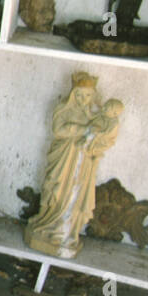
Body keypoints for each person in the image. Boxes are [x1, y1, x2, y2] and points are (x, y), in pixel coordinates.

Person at [25, 73, 123, 258]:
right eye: (79, 95)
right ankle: (46, 224)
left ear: (93, 95)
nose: (83, 99)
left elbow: (106, 134)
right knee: (54, 188)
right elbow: (58, 130)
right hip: (63, 157)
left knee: (74, 194)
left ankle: (65, 231)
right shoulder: (64, 108)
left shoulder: (96, 114)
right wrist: (83, 129)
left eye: (87, 96)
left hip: (82, 161)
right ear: (72, 94)